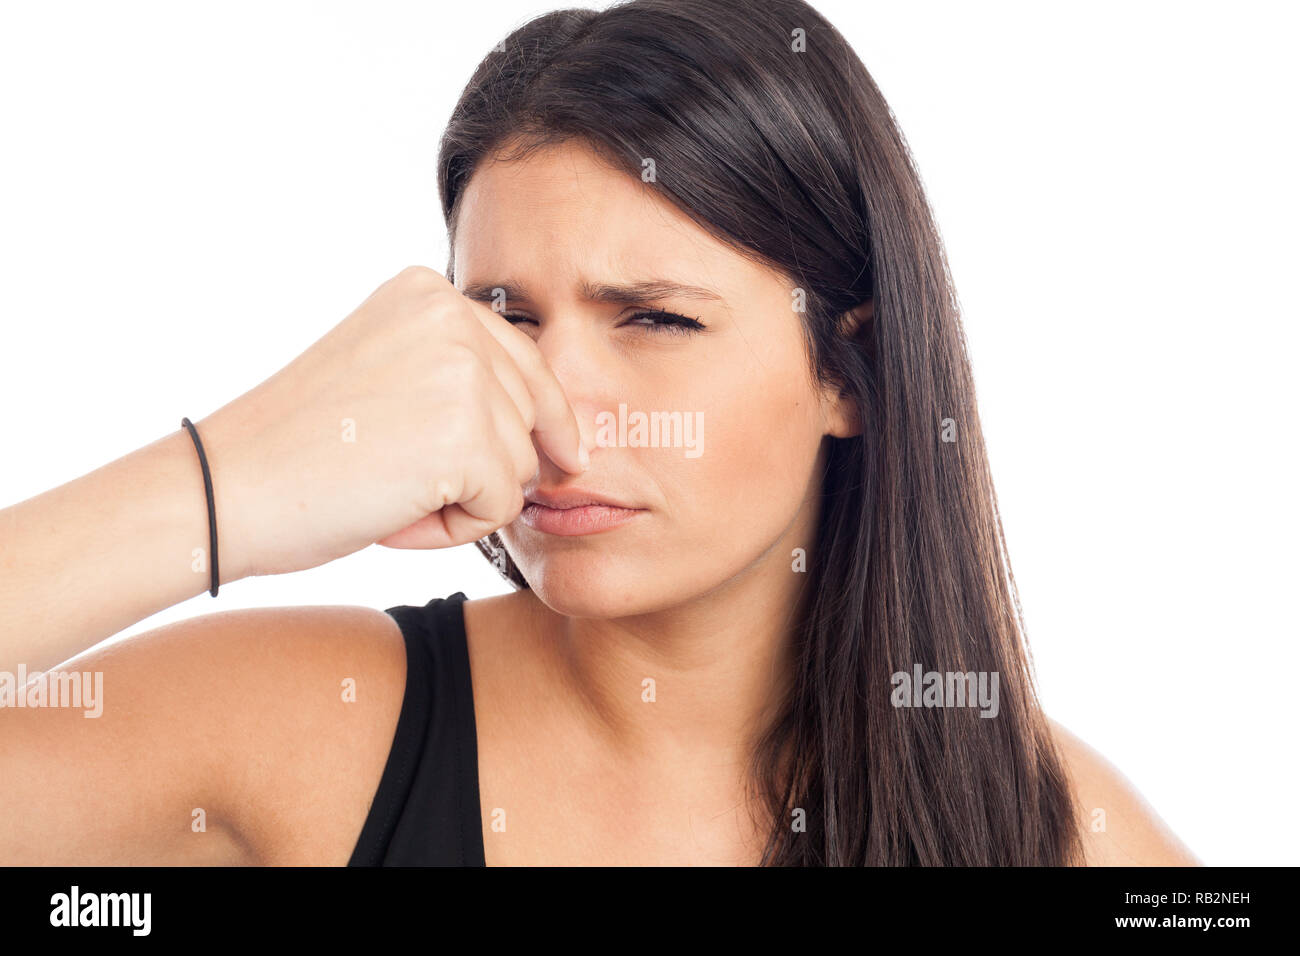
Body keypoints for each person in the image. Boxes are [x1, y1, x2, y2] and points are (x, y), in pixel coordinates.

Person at [0, 0, 1199, 866]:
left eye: (655, 318)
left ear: (855, 370)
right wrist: (227, 485)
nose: (553, 413)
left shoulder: (1065, 839)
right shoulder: (314, 724)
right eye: (502, 316)